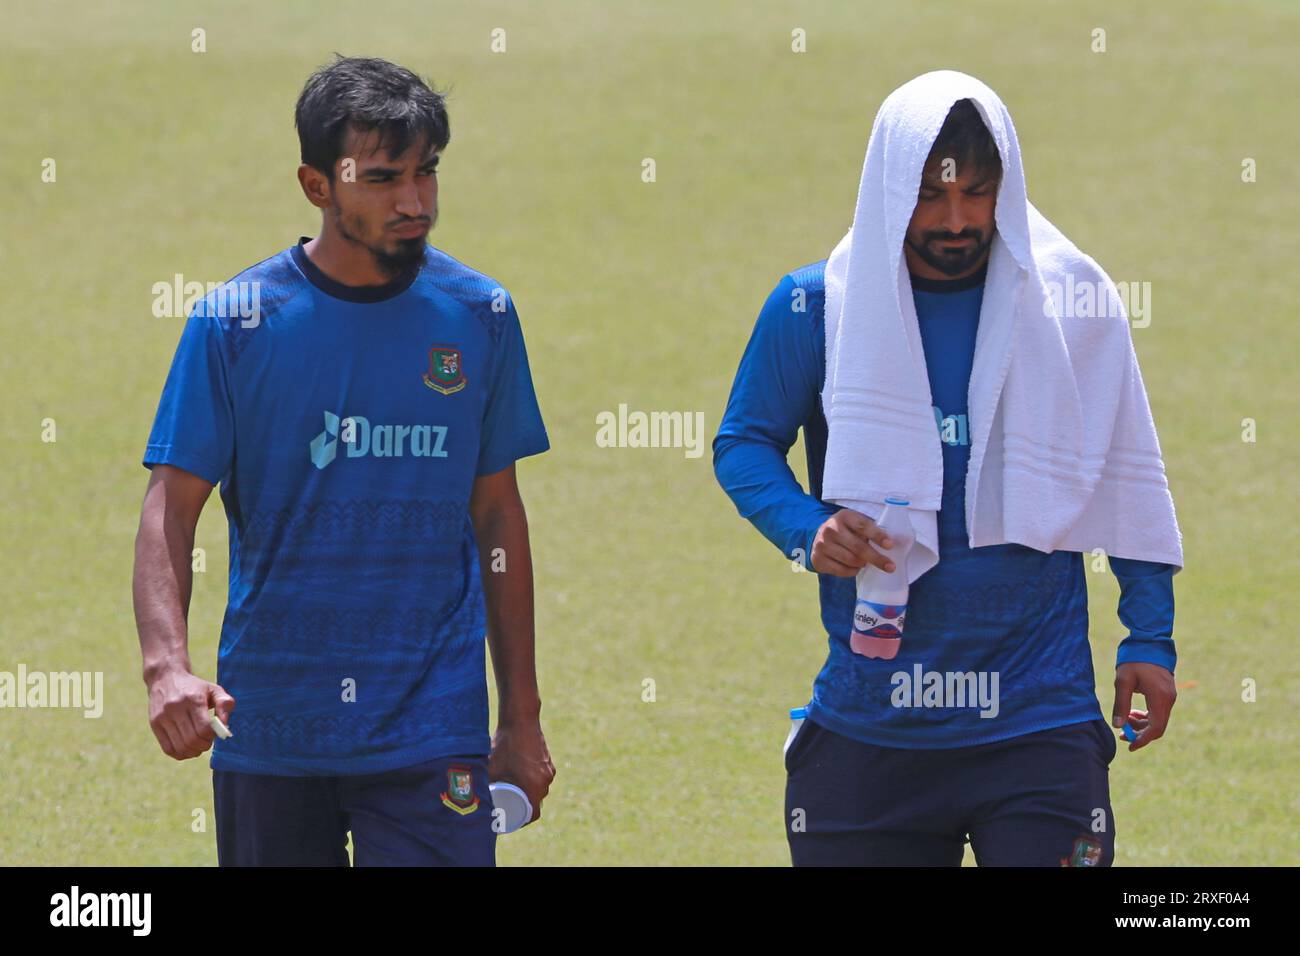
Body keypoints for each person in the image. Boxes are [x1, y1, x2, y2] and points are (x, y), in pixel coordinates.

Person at [713, 71, 1183, 867]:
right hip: (874, 722)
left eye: (979, 194)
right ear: (893, 187)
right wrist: (807, 527)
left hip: (1038, 721)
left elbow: (1125, 464)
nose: (958, 221)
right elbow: (744, 443)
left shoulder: (1070, 299)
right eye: (932, 197)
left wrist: (1152, 633)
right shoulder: (815, 305)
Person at [132, 55, 554, 866]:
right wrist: (166, 669)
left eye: (427, 173)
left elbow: (499, 514)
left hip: (433, 729)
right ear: (317, 184)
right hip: (273, 726)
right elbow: (170, 506)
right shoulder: (236, 324)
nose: (415, 202)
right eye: (385, 177)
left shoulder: (481, 317)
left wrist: (521, 717)